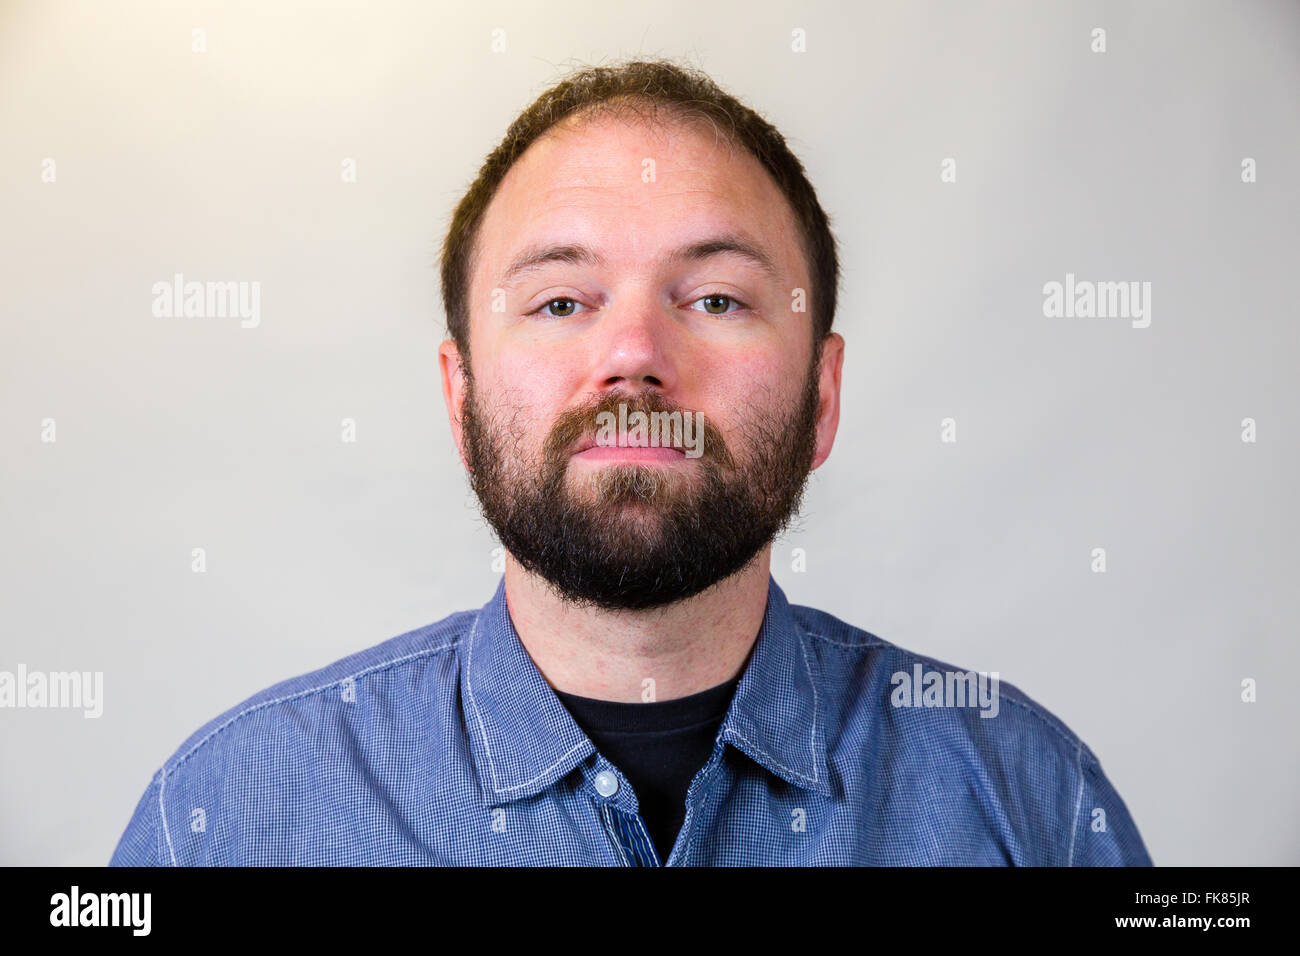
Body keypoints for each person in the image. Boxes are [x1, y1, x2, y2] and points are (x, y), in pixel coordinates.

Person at [111, 58, 1151, 866]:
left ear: (822, 398)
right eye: (562, 301)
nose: (634, 359)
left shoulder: (1027, 798)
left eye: (714, 299)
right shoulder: (229, 815)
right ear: (458, 393)